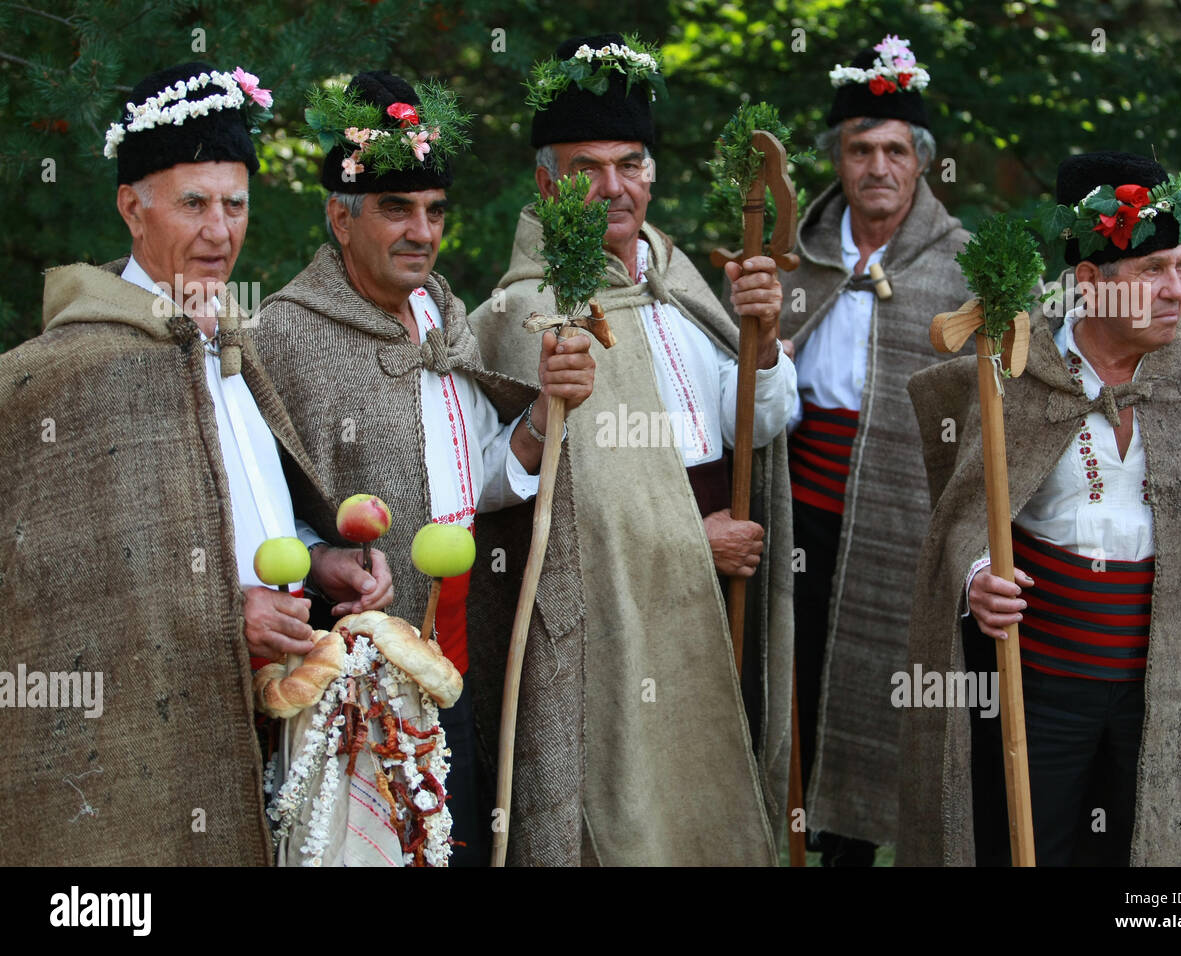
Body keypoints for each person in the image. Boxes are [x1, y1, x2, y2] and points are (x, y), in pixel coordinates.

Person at [0, 62, 390, 865]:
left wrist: (322, 565)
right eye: (194, 204)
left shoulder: (232, 347)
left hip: (283, 712)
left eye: (235, 204)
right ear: (130, 207)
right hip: (155, 738)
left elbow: (242, 511)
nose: (220, 231)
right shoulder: (72, 371)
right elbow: (59, 591)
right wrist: (220, 614)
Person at [899, 151, 1181, 866]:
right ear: (1089, 284)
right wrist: (978, 578)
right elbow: (965, 514)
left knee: (1152, 855)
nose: (1176, 289)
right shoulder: (1011, 375)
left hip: (1174, 688)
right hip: (1037, 688)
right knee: (1026, 845)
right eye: (1152, 272)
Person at [469, 33, 799, 865]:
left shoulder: (676, 278)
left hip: (726, 570)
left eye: (630, 164)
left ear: (651, 173)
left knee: (717, 781)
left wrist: (762, 337)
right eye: (586, 168)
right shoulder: (524, 311)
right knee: (634, 810)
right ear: (547, 183)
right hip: (621, 610)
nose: (612, 188)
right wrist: (697, 542)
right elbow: (509, 489)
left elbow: (753, 425)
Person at [252, 71, 595, 867]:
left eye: (434, 211)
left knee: (454, 841)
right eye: (396, 210)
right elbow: (265, 514)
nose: (422, 232)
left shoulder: (441, 316)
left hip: (456, 644)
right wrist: (320, 562)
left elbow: (477, 478)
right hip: (353, 665)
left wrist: (545, 413)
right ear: (341, 218)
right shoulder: (287, 334)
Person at [776, 34, 972, 865]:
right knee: (791, 675)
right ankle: (781, 819)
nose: (878, 166)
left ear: (922, 163)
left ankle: (853, 843)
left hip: (905, 519)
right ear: (840, 160)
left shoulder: (959, 267)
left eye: (896, 149)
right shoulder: (794, 253)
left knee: (879, 691)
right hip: (795, 512)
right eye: (861, 148)